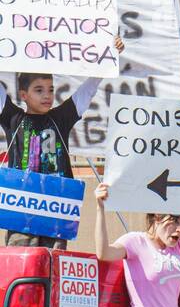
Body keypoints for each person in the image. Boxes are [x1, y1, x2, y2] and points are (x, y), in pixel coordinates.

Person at [1, 42, 123, 247]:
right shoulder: (13, 118)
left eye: (50, 89)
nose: (47, 95)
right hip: (21, 211)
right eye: (39, 90)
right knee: (22, 264)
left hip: (56, 207)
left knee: (53, 263)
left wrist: (109, 56)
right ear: (24, 95)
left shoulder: (61, 118)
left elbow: (88, 90)